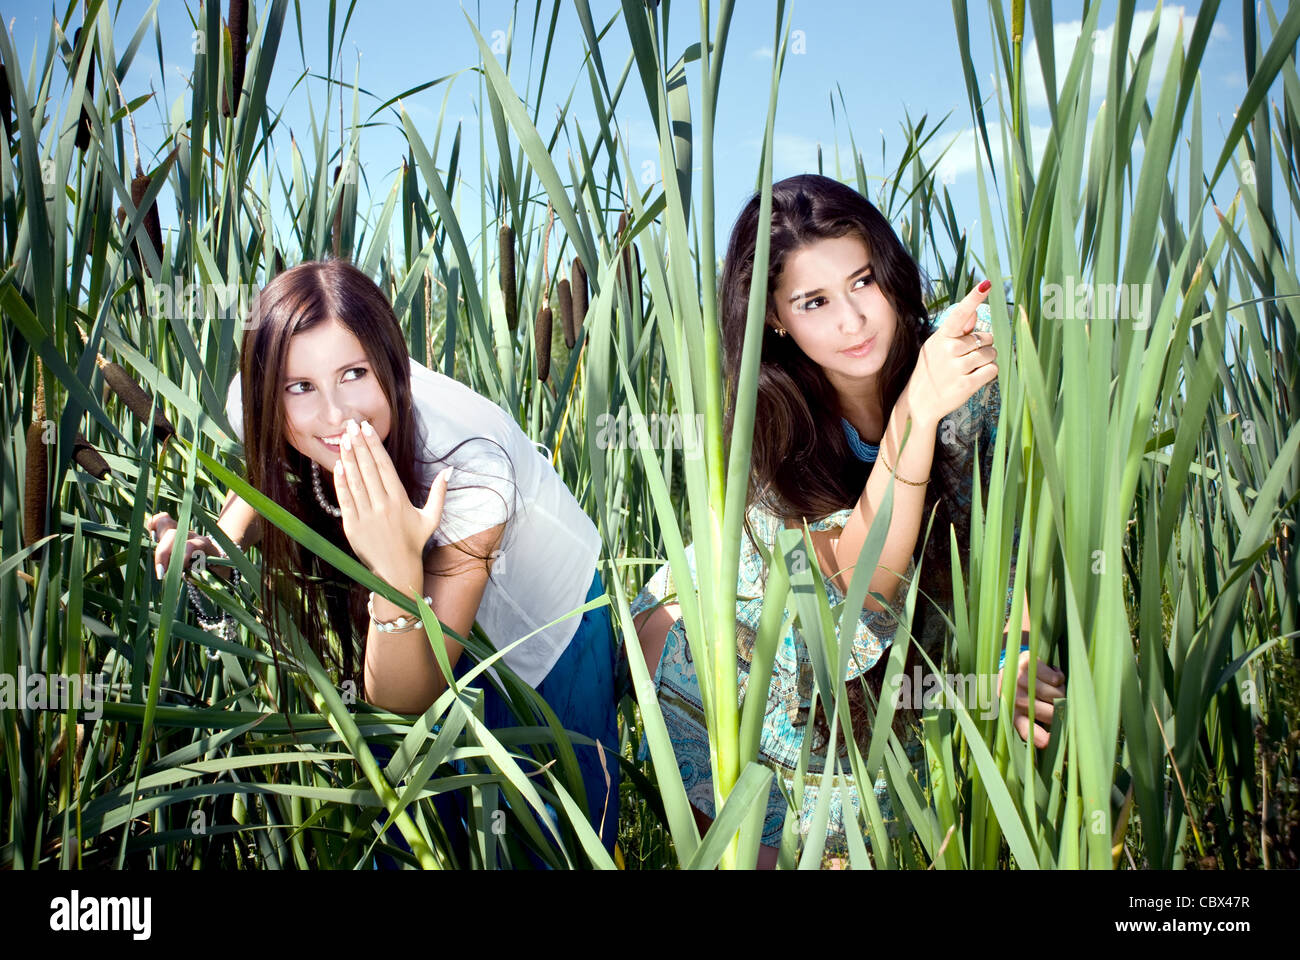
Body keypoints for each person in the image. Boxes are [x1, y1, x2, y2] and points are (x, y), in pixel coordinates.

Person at [629, 174, 1066, 868]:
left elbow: (1008, 528)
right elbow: (862, 585)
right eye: (815, 301)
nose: (853, 320)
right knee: (770, 844)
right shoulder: (765, 427)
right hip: (728, 645)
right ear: (775, 317)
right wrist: (917, 411)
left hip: (873, 659)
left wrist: (1011, 652)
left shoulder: (966, 361)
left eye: (863, 282)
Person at [145, 258, 619, 866]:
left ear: (391, 365)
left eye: (354, 373)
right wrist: (217, 543)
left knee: (546, 832)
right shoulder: (263, 399)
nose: (335, 415)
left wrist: (396, 576)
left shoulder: (469, 465)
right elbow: (267, 472)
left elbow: (409, 698)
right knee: (420, 819)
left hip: (543, 626)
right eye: (301, 387)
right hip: (424, 618)